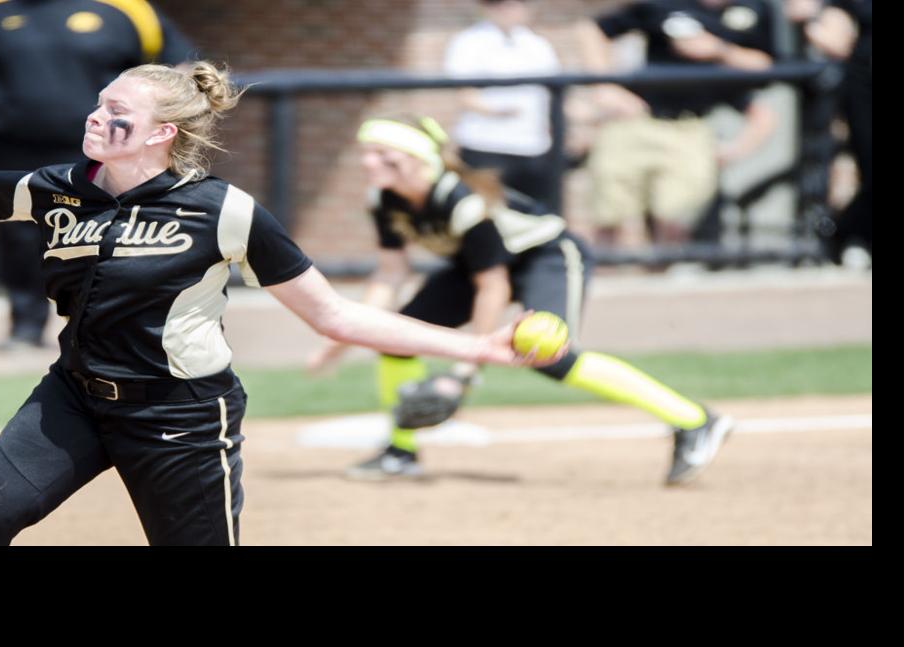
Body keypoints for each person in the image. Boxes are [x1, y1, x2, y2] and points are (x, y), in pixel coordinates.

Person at [0, 63, 555, 546]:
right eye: (99, 105)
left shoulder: (223, 210)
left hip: (181, 415)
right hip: (71, 398)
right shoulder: (59, 185)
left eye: (118, 113)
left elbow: (334, 315)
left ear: (164, 133)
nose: (96, 119)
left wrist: (479, 348)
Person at [307, 115, 733, 486]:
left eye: (385, 155)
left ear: (421, 157)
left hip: (545, 255)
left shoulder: (465, 203)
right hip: (475, 267)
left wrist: (464, 371)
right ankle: (401, 452)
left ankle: (694, 420)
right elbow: (391, 272)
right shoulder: (384, 199)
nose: (370, 163)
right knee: (393, 339)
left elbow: (493, 286)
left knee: (546, 353)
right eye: (368, 153)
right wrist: (343, 334)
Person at [0, 0, 196, 349]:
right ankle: (24, 327)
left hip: (100, 148)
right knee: (17, 237)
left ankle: (101, 331)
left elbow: (180, 62)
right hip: (9, 145)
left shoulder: (126, 8)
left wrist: (155, 122)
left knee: (104, 237)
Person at [574, 0, 779, 248]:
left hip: (691, 125)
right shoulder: (665, 4)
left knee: (674, 222)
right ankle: (610, 283)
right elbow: (592, 30)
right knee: (611, 215)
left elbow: (767, 66)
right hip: (637, 118)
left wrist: (719, 50)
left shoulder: (754, 8)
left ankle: (659, 283)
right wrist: (604, 87)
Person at [442, 0, 561, 204]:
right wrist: (498, 111)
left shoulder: (537, 44)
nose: (507, 9)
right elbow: (463, 94)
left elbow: (552, 95)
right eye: (498, 3)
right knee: (485, 218)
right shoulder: (468, 42)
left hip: (533, 147)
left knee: (537, 219)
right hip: (485, 146)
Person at [785, 0, 871, 267]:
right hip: (864, 80)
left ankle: (843, 232)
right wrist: (823, 23)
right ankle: (842, 233)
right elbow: (801, 9)